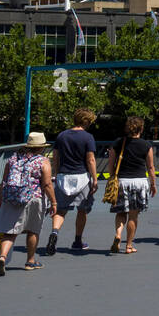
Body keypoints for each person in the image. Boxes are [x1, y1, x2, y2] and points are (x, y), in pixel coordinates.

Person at [0, 132, 56, 274]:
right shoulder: (42, 161)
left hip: (12, 198)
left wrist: (0, 200)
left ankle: (2, 257)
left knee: (10, 232)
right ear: (41, 148)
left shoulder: (13, 159)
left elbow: (3, 182)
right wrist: (54, 202)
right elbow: (46, 184)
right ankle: (30, 261)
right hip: (33, 198)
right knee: (33, 230)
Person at [47, 108, 98, 255]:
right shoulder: (87, 137)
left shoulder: (62, 136)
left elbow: (55, 156)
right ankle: (77, 241)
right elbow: (90, 159)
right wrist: (94, 178)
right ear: (86, 121)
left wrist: (56, 173)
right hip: (81, 177)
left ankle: (54, 233)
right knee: (82, 210)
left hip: (63, 177)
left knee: (61, 211)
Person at [106, 117, 157, 254]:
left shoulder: (118, 143)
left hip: (122, 181)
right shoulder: (146, 145)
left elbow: (110, 164)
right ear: (141, 128)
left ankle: (118, 234)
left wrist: (112, 179)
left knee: (121, 212)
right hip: (139, 182)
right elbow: (150, 167)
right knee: (133, 216)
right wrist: (153, 184)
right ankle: (128, 245)